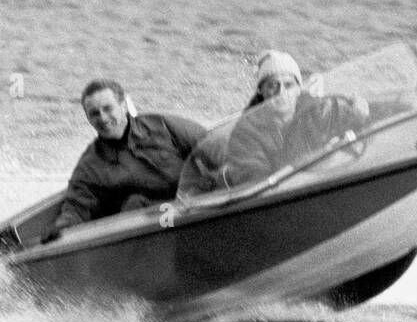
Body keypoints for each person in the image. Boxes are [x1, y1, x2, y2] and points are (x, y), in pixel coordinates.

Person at [44, 80, 207, 241]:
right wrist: (62, 227)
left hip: (200, 203)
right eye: (94, 113)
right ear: (88, 118)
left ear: (123, 105)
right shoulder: (90, 165)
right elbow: (77, 208)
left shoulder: (162, 125)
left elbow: (211, 145)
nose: (103, 118)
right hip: (154, 227)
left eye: (108, 109)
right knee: (133, 203)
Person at [224, 50, 369, 186]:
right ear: (261, 91)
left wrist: (359, 112)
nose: (281, 92)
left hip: (322, 184)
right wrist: (302, 163)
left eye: (288, 85)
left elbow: (356, 116)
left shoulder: (317, 110)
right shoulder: (245, 132)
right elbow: (256, 182)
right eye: (273, 85)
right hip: (281, 198)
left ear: (298, 89)